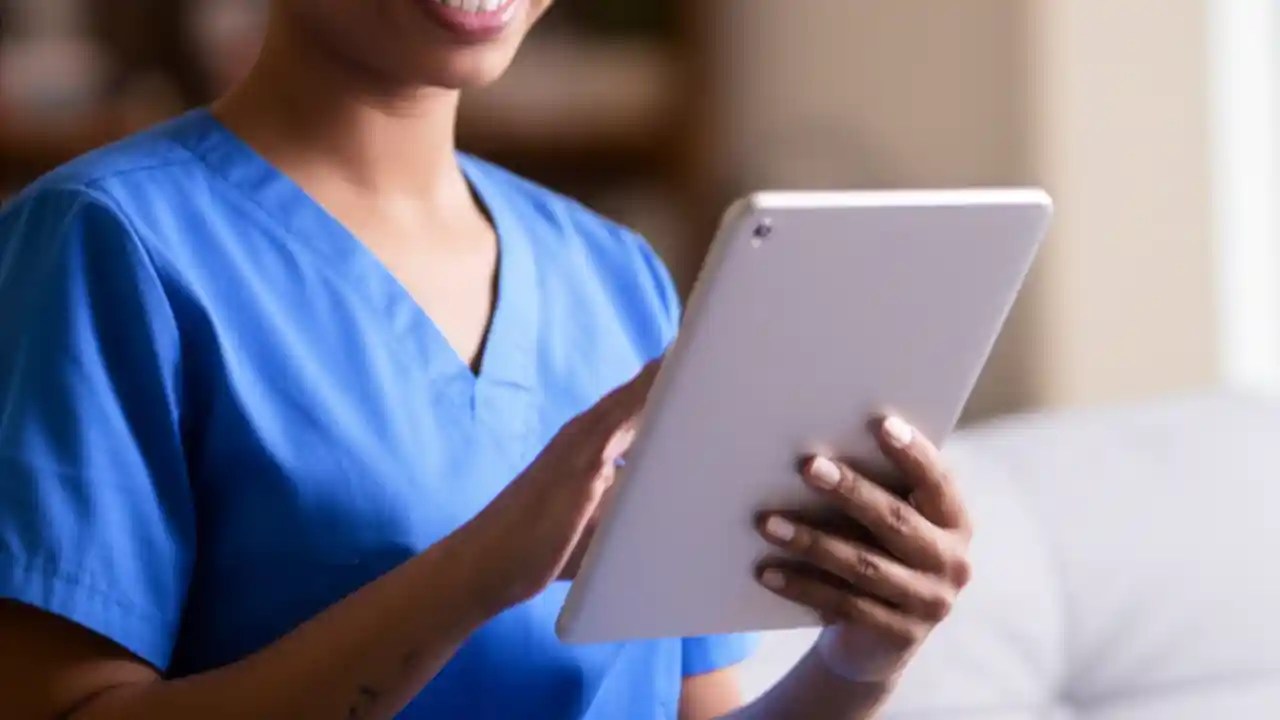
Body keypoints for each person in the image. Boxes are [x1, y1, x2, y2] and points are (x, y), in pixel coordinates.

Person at [0, 1, 974, 718]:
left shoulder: (613, 272)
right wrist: (480, 569)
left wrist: (861, 660)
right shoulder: (108, 242)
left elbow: (695, 706)